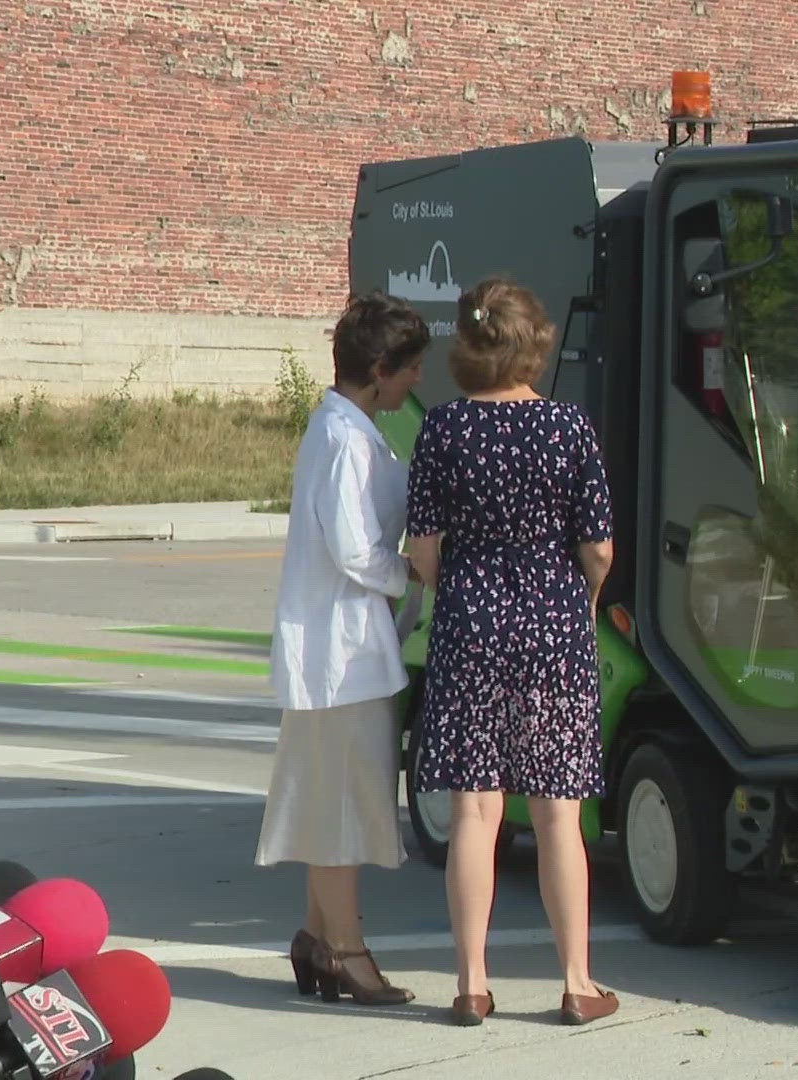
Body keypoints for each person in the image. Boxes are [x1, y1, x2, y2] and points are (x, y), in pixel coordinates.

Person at [404, 276, 618, 1028]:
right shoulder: (568, 428)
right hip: (553, 623)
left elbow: (422, 548)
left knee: (474, 810)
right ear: (535, 343)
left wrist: (452, 586)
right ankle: (576, 982)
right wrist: (580, 600)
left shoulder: (444, 428)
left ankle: (470, 982)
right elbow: (597, 546)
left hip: (470, 620)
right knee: (558, 813)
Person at [257, 291, 430, 1006]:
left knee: (333, 799)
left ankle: (317, 938)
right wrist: (416, 573)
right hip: (339, 652)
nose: (418, 381)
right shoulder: (342, 438)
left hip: (341, 648)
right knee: (344, 811)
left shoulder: (346, 428)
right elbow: (357, 550)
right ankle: (346, 952)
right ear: (381, 367)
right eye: (412, 369)